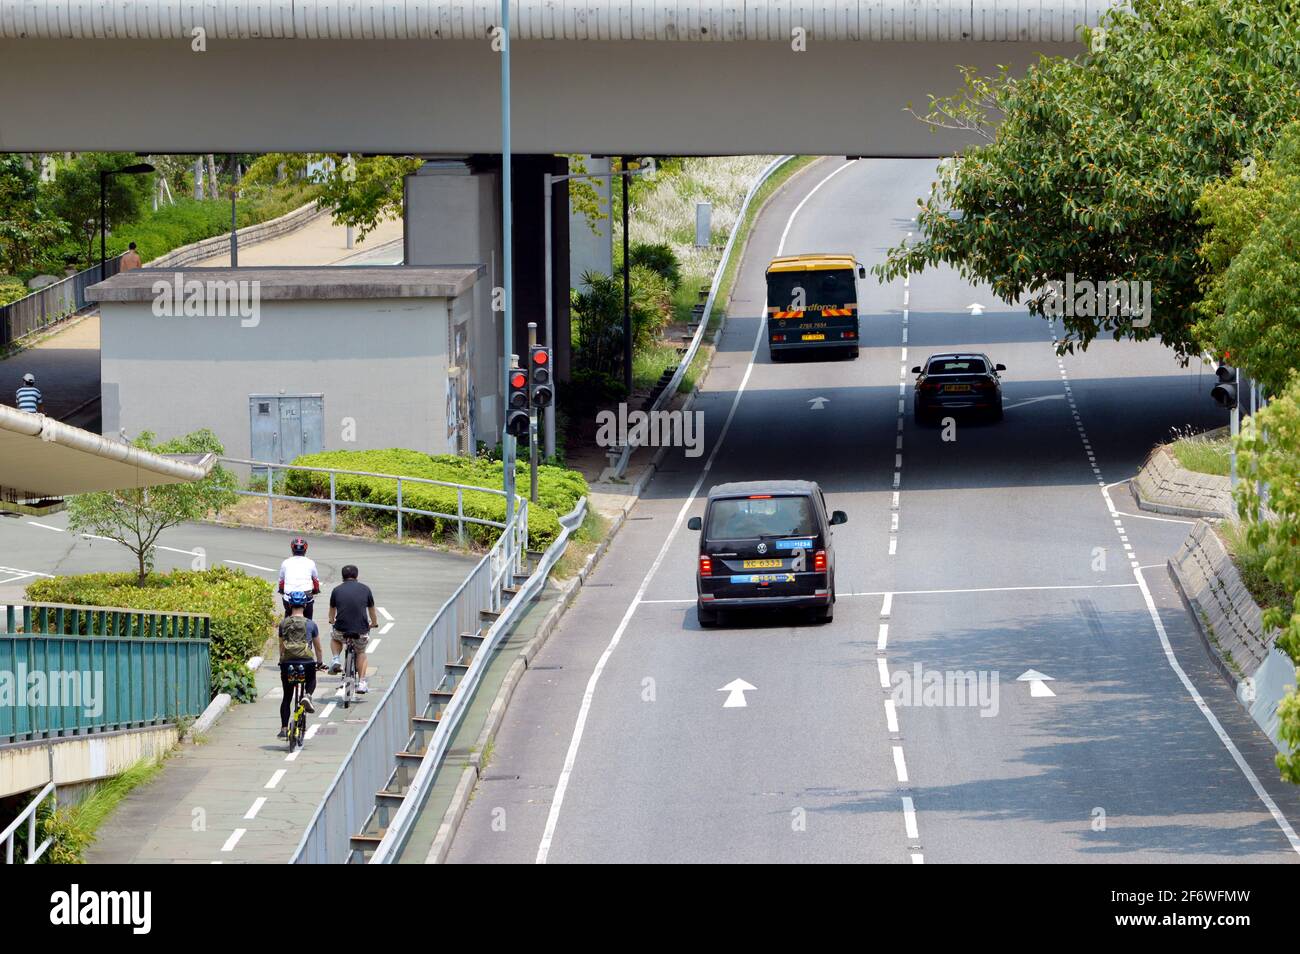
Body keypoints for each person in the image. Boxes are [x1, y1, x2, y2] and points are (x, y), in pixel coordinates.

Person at [277, 590, 322, 739]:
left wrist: (282, 659)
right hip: (306, 661)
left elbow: (281, 646)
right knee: (312, 680)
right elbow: (318, 647)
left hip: (288, 661)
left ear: (289, 605)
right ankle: (308, 695)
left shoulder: (283, 624)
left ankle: (284, 728)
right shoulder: (311, 624)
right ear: (305, 605)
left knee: (287, 696)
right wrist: (320, 662)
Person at [328, 564, 378, 694]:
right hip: (360, 630)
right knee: (361, 652)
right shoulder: (365, 589)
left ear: (342, 577)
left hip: (341, 629)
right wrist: (374, 623)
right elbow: (371, 609)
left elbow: (332, 610)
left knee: (335, 638)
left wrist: (331, 620)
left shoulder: (336, 590)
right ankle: (361, 683)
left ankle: (335, 659)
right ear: (356, 576)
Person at [278, 537, 320, 619]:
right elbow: (315, 580)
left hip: (289, 596)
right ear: (305, 550)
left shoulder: (285, 562)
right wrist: (316, 590)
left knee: (287, 615)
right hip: (306, 595)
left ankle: (284, 629)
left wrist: (281, 590)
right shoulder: (310, 563)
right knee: (308, 619)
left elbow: (281, 581)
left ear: (292, 549)